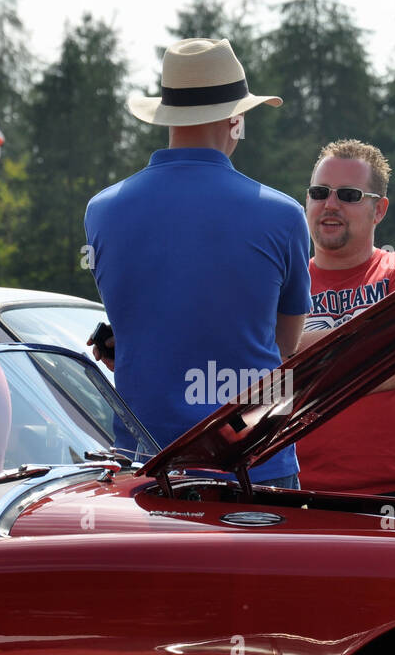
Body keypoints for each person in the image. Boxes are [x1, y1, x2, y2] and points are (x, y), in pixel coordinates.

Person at [85, 38, 311, 487]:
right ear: (235, 120)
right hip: (254, 459)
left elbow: (135, 318)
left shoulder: (101, 210)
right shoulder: (283, 214)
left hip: (143, 460)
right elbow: (285, 345)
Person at [293, 139, 395, 498]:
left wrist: (297, 359)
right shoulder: (282, 283)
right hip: (298, 493)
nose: (330, 204)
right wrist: (375, 344)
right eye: (319, 192)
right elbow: (262, 369)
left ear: (379, 210)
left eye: (348, 194)